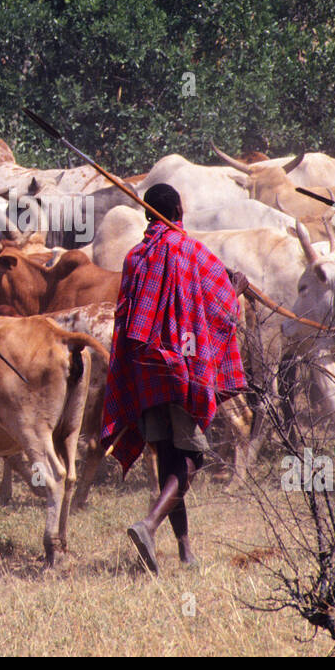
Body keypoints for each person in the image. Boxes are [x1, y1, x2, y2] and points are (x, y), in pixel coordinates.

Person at [101, 183, 247, 574]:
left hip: (146, 370)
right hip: (182, 367)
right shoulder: (193, 251)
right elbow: (221, 310)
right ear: (178, 210)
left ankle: (184, 551)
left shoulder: (134, 257)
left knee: (168, 457)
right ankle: (148, 524)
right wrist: (237, 290)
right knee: (193, 458)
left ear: (148, 215)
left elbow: (129, 317)